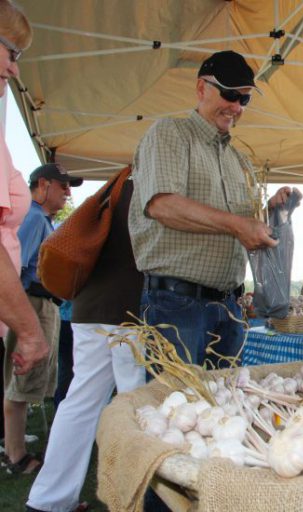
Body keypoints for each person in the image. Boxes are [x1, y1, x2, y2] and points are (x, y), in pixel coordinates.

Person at [129, 50, 296, 368]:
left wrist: (269, 214)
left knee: (225, 410)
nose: (236, 106)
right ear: (201, 88)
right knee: (179, 408)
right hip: (176, 305)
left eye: (244, 99)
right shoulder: (170, 133)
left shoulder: (239, 160)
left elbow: (244, 226)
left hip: (230, 307)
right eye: (230, 94)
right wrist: (238, 225)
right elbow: (162, 205)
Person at [26, 174, 144, 512]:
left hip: (89, 308)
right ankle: (131, 499)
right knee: (138, 408)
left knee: (80, 403)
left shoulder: (115, 185)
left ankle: (49, 499)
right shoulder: (153, 184)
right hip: (128, 312)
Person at [4, 162, 81, 474]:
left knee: (25, 383)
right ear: (44, 185)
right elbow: (14, 268)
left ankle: (15, 447)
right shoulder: (34, 218)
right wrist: (25, 322)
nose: (67, 192)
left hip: (42, 303)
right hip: (33, 303)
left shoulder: (42, 219)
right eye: (63, 185)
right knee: (21, 382)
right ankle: (16, 456)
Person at [0, 0, 50, 453]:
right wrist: (30, 330)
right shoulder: (36, 219)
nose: (16, 71)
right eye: (12, 53)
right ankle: (15, 453)